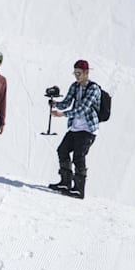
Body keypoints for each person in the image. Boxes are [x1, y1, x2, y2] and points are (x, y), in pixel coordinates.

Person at [48, 59, 101, 199]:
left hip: (88, 129)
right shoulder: (75, 86)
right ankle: (65, 182)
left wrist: (62, 114)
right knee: (62, 150)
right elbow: (67, 102)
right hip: (75, 127)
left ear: (86, 73)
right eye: (75, 73)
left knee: (79, 156)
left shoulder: (94, 89)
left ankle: (79, 189)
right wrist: (56, 104)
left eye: (79, 73)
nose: (76, 76)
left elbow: (83, 108)